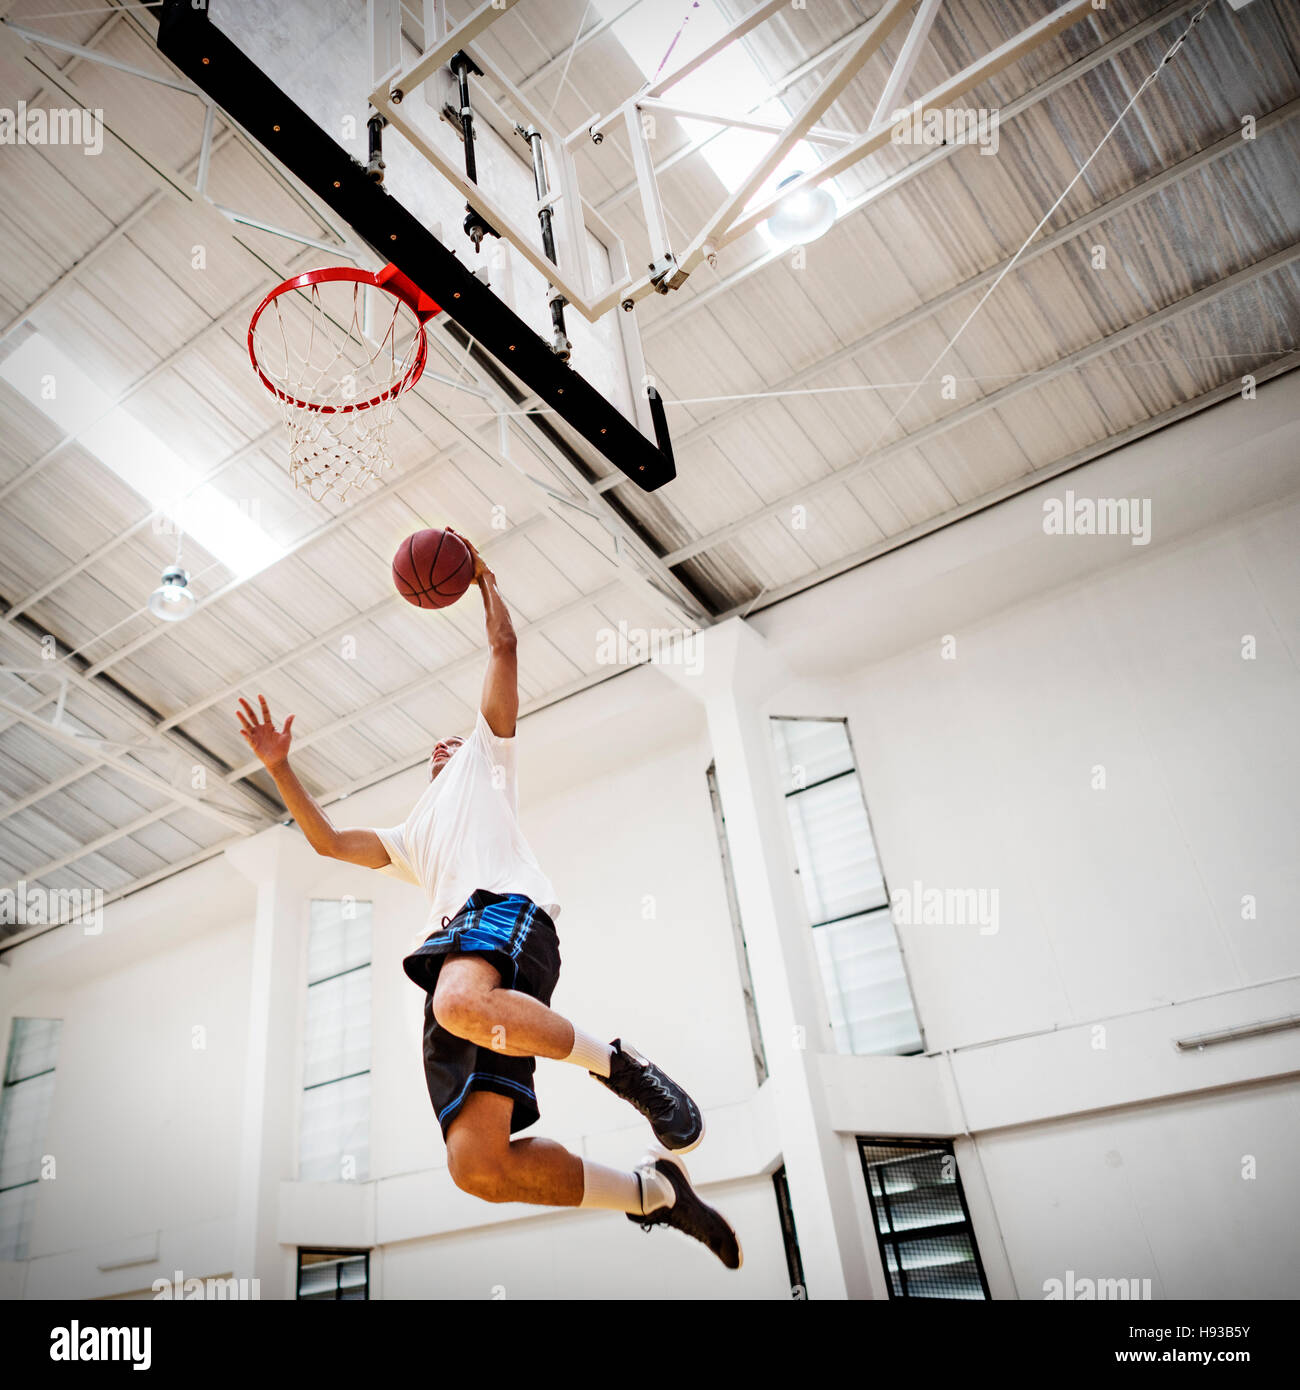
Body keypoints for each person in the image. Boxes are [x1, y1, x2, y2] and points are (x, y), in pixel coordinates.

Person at [236, 531, 741, 1269]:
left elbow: (504, 650)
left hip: (504, 915)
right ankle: (655, 1195)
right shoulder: (411, 835)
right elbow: (327, 843)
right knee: (479, 1169)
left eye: (455, 739)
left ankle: (622, 1068)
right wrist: (280, 769)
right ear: (426, 766)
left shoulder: (488, 761)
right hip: (458, 957)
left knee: (453, 1002)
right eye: (435, 747)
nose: (446, 745)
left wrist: (481, 581)